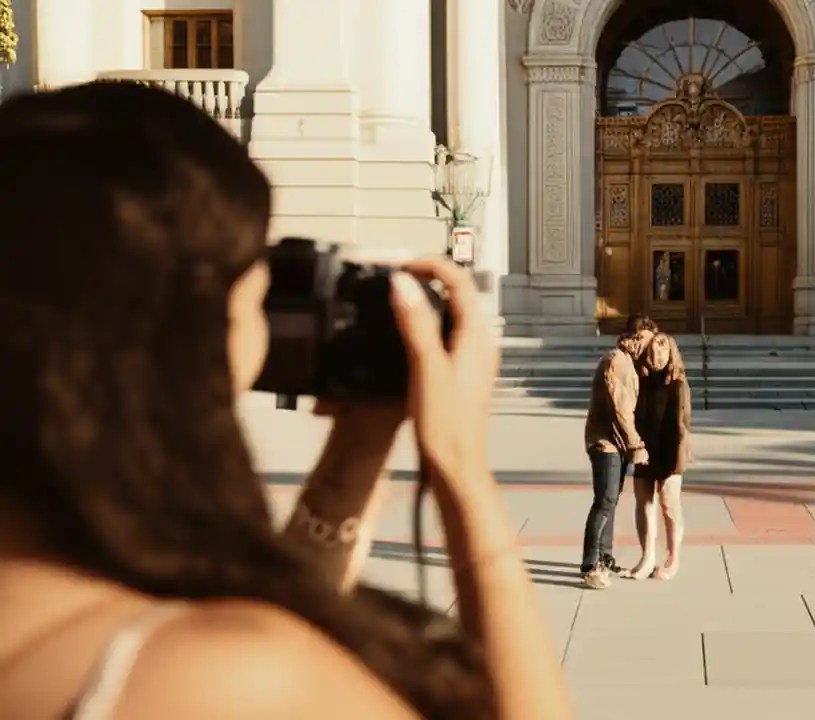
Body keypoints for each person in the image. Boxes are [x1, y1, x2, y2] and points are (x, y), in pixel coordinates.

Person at [0, 83, 571, 719]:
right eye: (257, 293)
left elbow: (275, 614)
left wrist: (356, 451)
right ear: (193, 340)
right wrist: (461, 466)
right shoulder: (216, 677)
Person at [579, 315, 657, 590]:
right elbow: (621, 410)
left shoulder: (628, 365)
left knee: (610, 501)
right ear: (632, 338)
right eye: (645, 341)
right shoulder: (617, 362)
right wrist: (636, 445)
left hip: (616, 444)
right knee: (604, 502)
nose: (647, 348)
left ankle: (605, 556)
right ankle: (590, 565)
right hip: (606, 444)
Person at [623, 333, 692, 581]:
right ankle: (647, 556)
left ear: (671, 354)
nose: (657, 356)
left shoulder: (678, 384)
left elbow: (682, 425)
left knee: (669, 504)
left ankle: (673, 556)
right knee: (643, 503)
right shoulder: (640, 381)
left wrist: (676, 461)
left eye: (662, 351)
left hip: (670, 450)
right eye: (652, 351)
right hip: (644, 448)